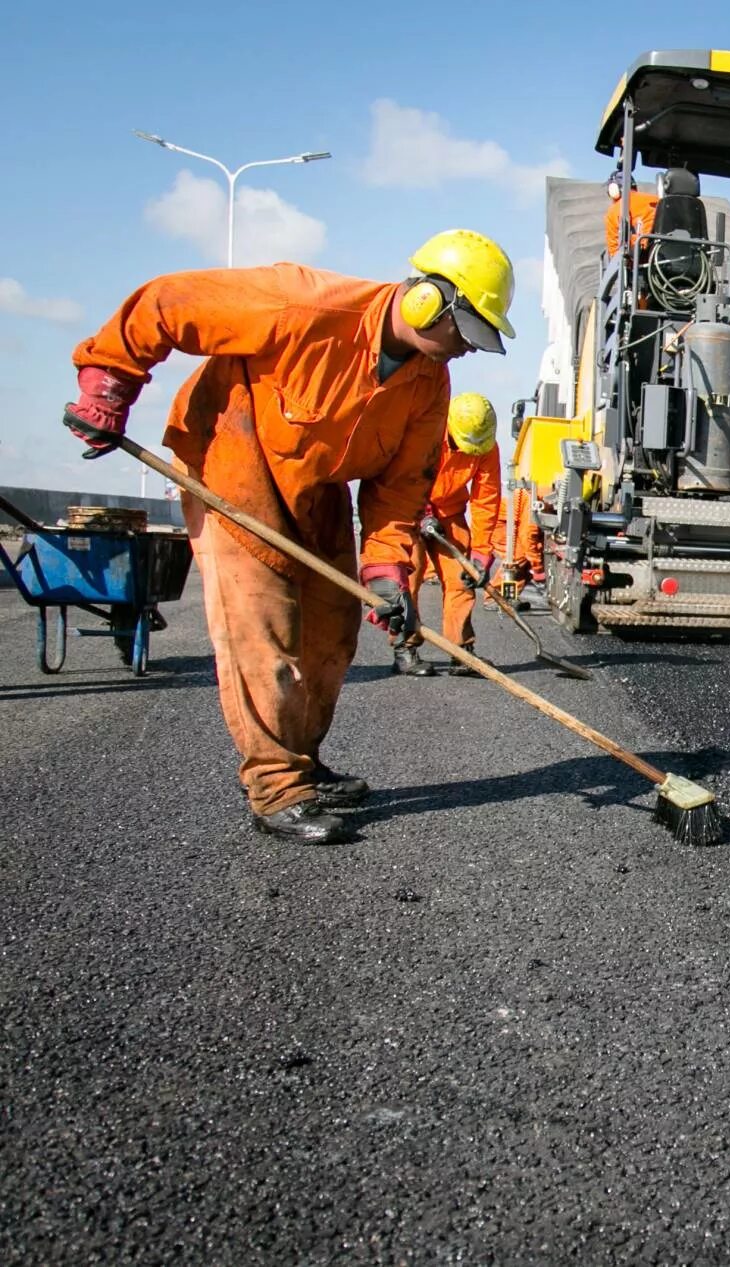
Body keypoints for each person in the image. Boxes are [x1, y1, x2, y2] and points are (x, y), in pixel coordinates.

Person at [63, 230, 516, 844]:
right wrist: (109, 383)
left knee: (334, 631)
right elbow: (168, 304)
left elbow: (401, 485)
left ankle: (303, 758)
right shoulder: (301, 305)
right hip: (235, 463)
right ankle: (276, 784)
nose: (465, 350)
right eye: (463, 332)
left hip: (318, 486)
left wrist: (387, 570)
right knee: (263, 629)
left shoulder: (428, 382)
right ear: (425, 301)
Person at [391, 393, 505, 677]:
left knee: (461, 580)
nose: (472, 452)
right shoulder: (426, 430)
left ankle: (460, 651)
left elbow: (486, 500)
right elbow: (408, 474)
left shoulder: (485, 446)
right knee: (409, 580)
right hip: (411, 508)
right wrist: (424, 510)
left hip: (451, 514)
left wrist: (480, 553)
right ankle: (405, 648)